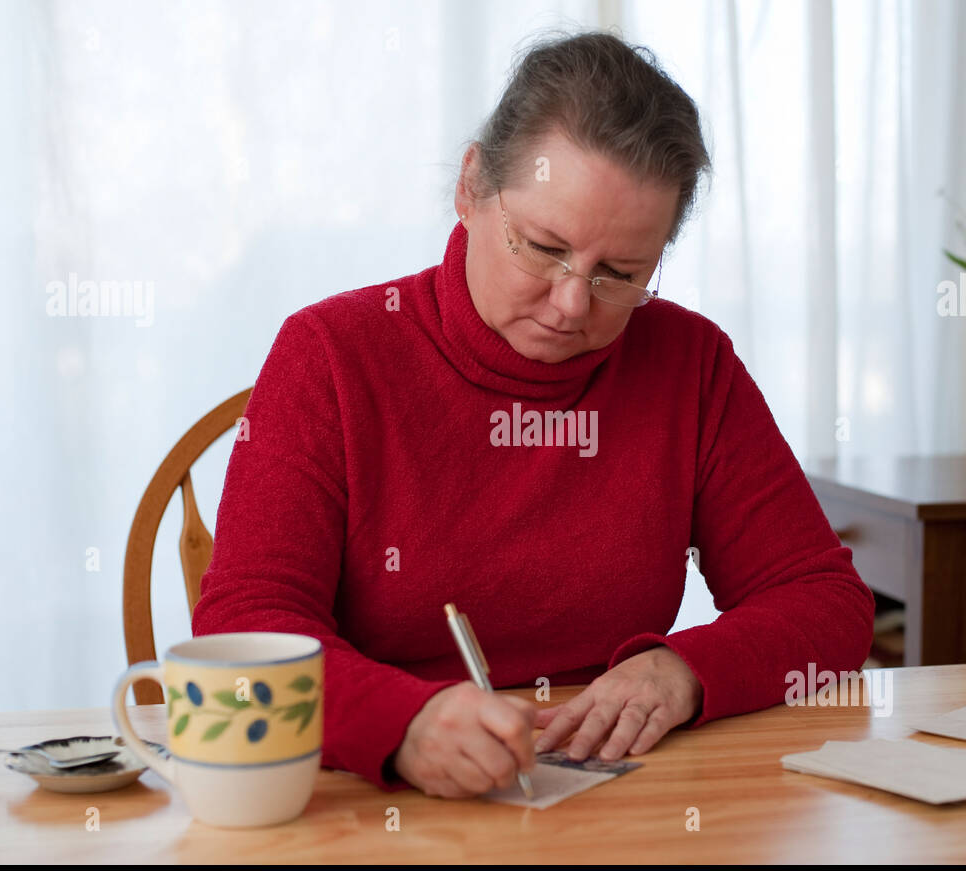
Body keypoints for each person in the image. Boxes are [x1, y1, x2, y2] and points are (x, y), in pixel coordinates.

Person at [191, 29, 874, 799]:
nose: (573, 302)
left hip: (615, 802)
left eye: (621, 273)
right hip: (380, 802)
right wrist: (401, 722)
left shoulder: (691, 363)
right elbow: (243, 628)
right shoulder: (331, 353)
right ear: (471, 186)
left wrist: (685, 668)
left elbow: (826, 602)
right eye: (545, 247)